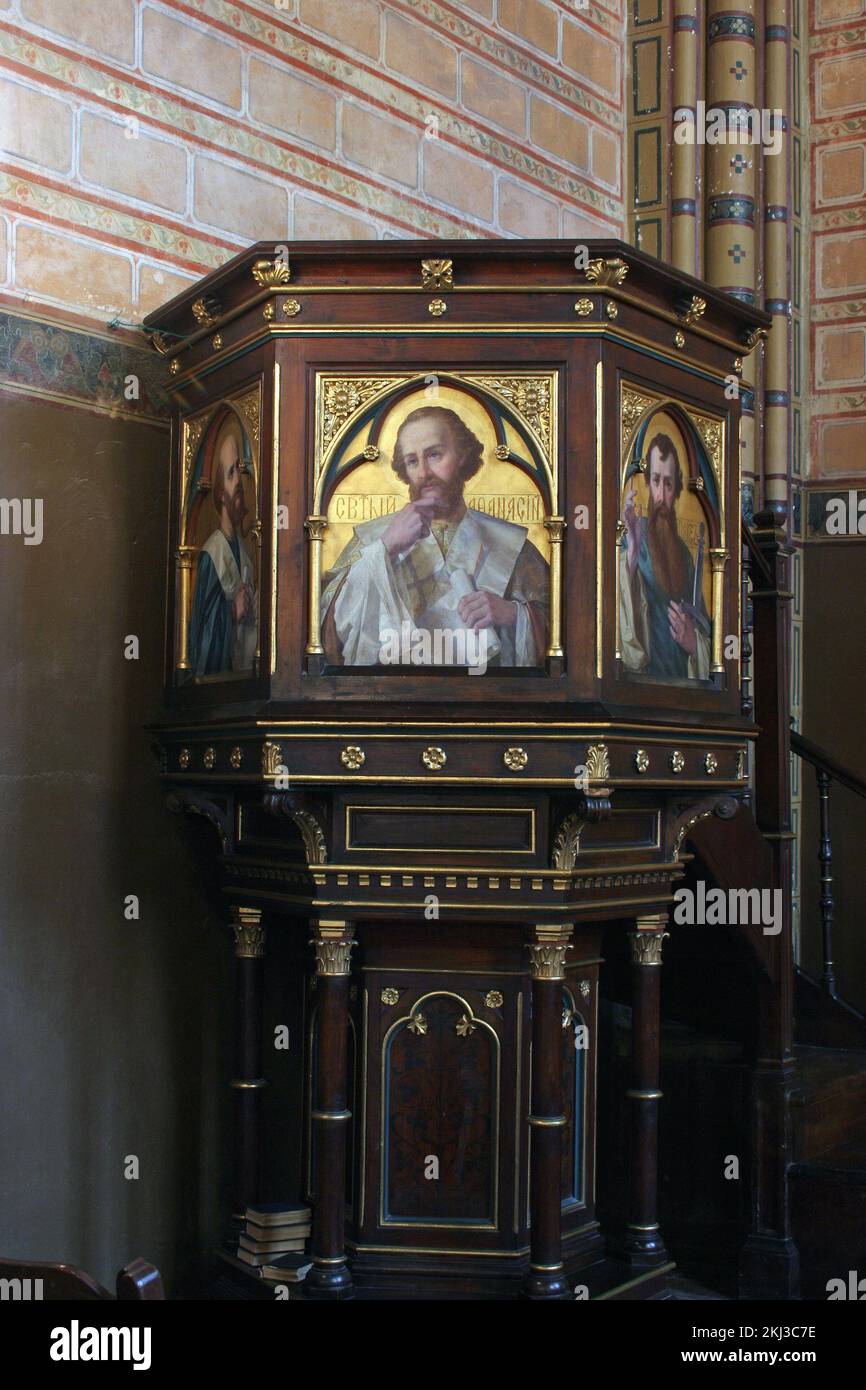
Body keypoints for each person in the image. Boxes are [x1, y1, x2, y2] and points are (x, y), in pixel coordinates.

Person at [320, 406, 549, 667]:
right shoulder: (374, 540)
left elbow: (564, 630)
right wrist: (385, 549)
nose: (424, 473)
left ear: (463, 454)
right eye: (412, 461)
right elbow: (327, 630)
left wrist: (513, 614)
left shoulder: (510, 545)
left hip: (484, 697)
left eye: (434, 455)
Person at [619, 432, 710, 680]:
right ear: (647, 483)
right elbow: (614, 610)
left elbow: (704, 622)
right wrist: (633, 553)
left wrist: (694, 643)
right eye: (656, 481)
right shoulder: (632, 537)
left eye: (668, 484)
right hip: (642, 681)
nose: (660, 496)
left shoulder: (683, 553)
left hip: (680, 680)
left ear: (678, 491)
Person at [188, 427, 258, 675]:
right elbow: (201, 628)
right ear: (218, 492)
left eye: (239, 470)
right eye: (231, 474)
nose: (239, 481)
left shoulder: (245, 553)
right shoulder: (211, 555)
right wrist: (230, 612)